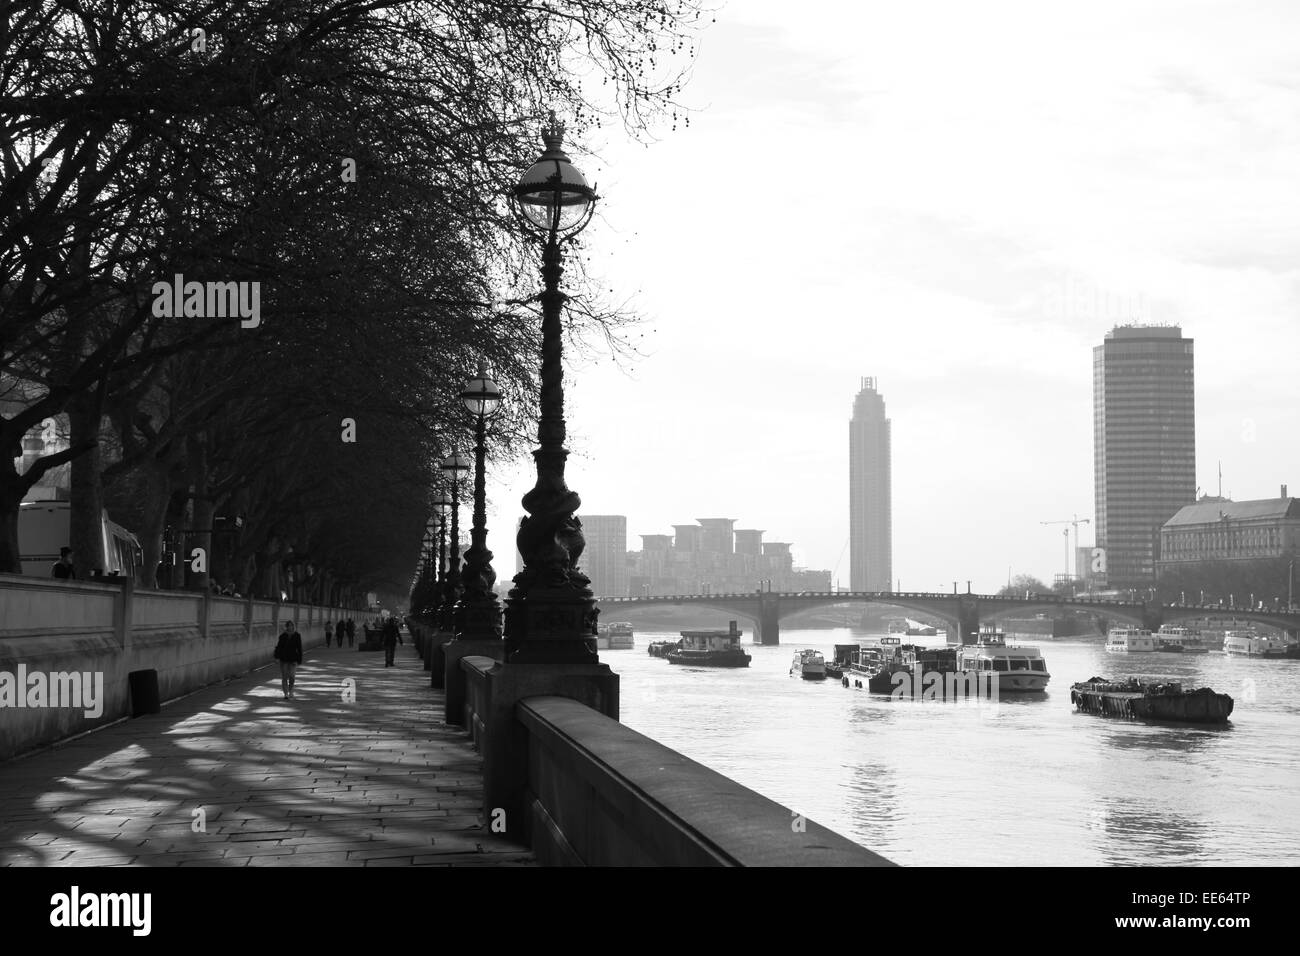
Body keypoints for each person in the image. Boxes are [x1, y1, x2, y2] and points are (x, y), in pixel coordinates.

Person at [274, 620, 303, 699]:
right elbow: (278, 647)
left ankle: (291, 690)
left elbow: (299, 648)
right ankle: (286, 693)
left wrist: (299, 659)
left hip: (293, 659)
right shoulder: (283, 636)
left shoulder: (297, 635)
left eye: (292, 625)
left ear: (294, 626)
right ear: (286, 627)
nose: (290, 627)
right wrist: (276, 657)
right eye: (289, 626)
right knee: (284, 677)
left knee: (292, 677)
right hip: (284, 659)